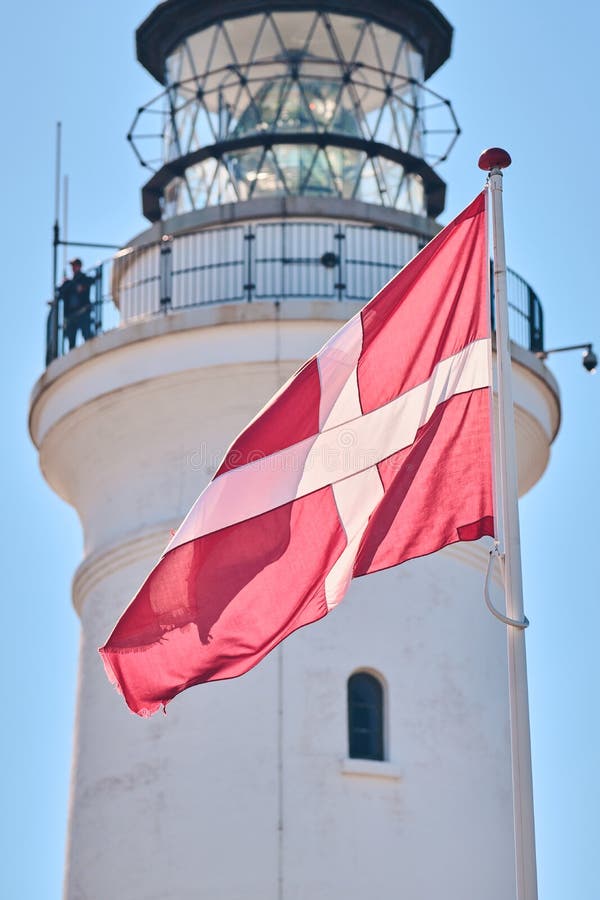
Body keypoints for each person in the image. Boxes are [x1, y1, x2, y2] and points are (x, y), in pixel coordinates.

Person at [58, 258, 95, 350]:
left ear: (79, 266)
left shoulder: (83, 278)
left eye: (75, 265)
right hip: (71, 316)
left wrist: (75, 286)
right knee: (71, 342)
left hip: (83, 313)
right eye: (72, 266)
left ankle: (91, 351)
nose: (73, 268)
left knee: (87, 336)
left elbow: (89, 282)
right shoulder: (69, 283)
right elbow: (61, 292)